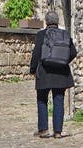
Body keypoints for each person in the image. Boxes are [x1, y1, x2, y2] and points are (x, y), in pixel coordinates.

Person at [29, 10, 77, 138]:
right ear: (57, 21)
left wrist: (33, 70)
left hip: (44, 72)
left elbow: (36, 54)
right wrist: (63, 61)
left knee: (42, 100)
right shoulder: (64, 34)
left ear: (46, 22)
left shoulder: (41, 35)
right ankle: (58, 131)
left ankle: (43, 129)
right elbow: (73, 52)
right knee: (58, 100)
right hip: (61, 73)